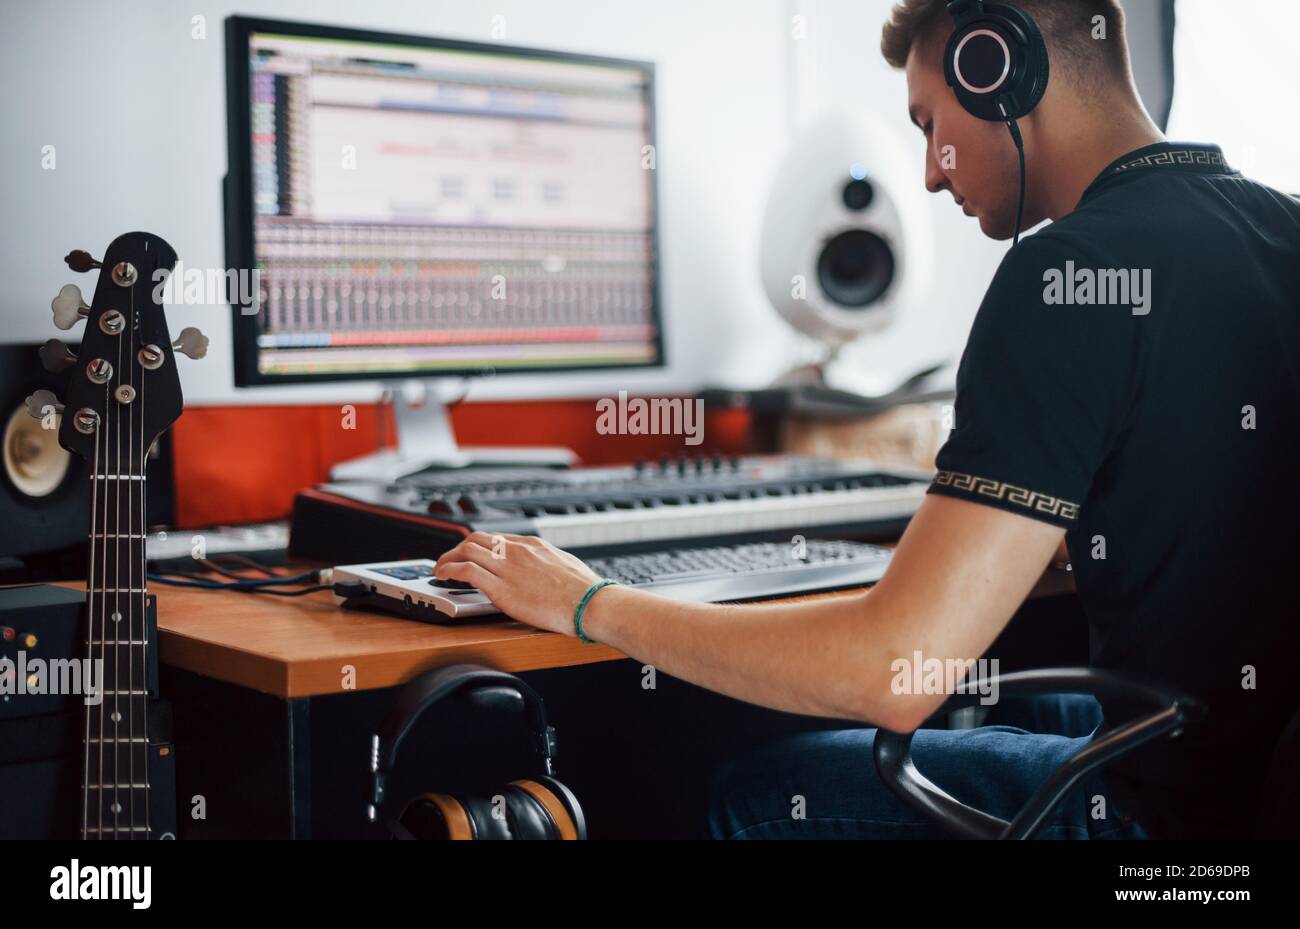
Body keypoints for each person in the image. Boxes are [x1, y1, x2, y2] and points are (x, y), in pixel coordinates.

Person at [434, 0, 1300, 839]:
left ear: (998, 66)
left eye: (931, 124)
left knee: (760, 787)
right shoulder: (1280, 229)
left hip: (1168, 824)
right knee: (1013, 700)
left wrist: (590, 601)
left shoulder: (1066, 272)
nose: (929, 171)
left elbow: (893, 673)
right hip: (1246, 777)